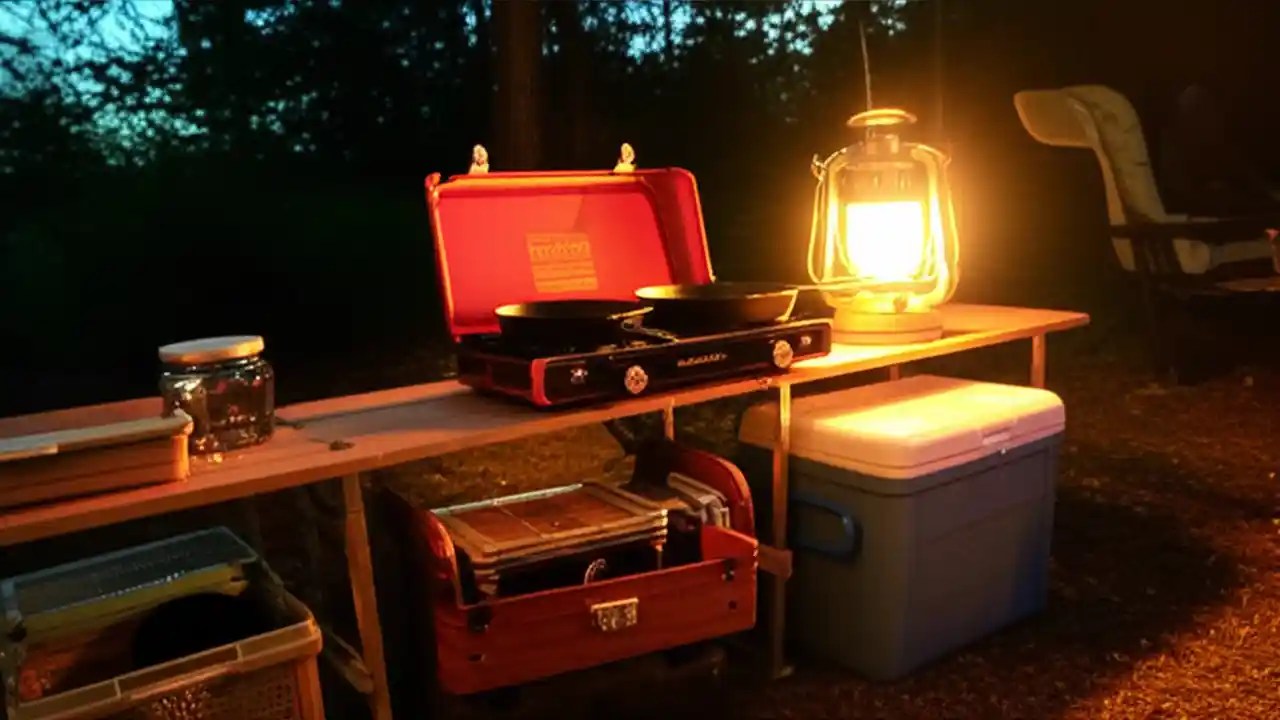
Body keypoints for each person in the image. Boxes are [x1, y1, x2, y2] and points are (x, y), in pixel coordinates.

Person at [1158, 82, 1280, 216]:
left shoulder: (1222, 148)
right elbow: (1178, 196)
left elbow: (1252, 180)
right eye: (1199, 110)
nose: (1209, 118)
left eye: (1209, 110)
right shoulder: (1172, 148)